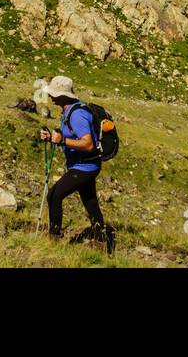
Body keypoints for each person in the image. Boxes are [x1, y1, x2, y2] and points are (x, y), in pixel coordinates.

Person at [38, 75, 112, 251]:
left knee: (54, 195)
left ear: (63, 95)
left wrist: (62, 140)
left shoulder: (77, 114)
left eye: (53, 93)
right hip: (84, 166)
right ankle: (102, 243)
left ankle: (53, 240)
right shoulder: (68, 111)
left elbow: (87, 143)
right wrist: (52, 137)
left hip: (85, 167)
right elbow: (69, 137)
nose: (50, 96)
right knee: (90, 202)